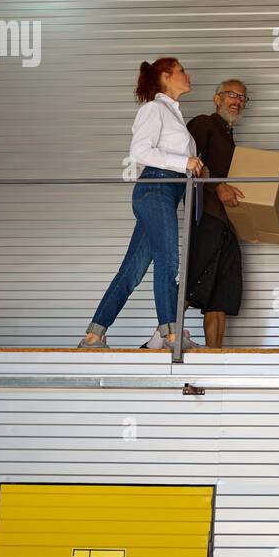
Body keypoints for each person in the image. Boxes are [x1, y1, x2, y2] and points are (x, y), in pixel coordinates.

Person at [78, 57, 207, 350]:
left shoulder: (173, 114)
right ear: (165, 76)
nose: (188, 75)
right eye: (181, 71)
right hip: (156, 188)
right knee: (168, 262)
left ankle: (93, 336)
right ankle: (172, 336)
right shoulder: (154, 109)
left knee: (132, 270)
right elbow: (139, 151)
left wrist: (193, 167)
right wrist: (183, 161)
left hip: (165, 193)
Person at [184, 79, 279, 347]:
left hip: (229, 225)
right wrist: (217, 187)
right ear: (216, 98)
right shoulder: (203, 124)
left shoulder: (234, 146)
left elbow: (247, 190)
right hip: (207, 218)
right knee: (192, 282)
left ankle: (215, 355)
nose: (238, 101)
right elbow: (188, 163)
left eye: (243, 98)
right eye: (232, 95)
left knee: (221, 293)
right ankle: (165, 335)